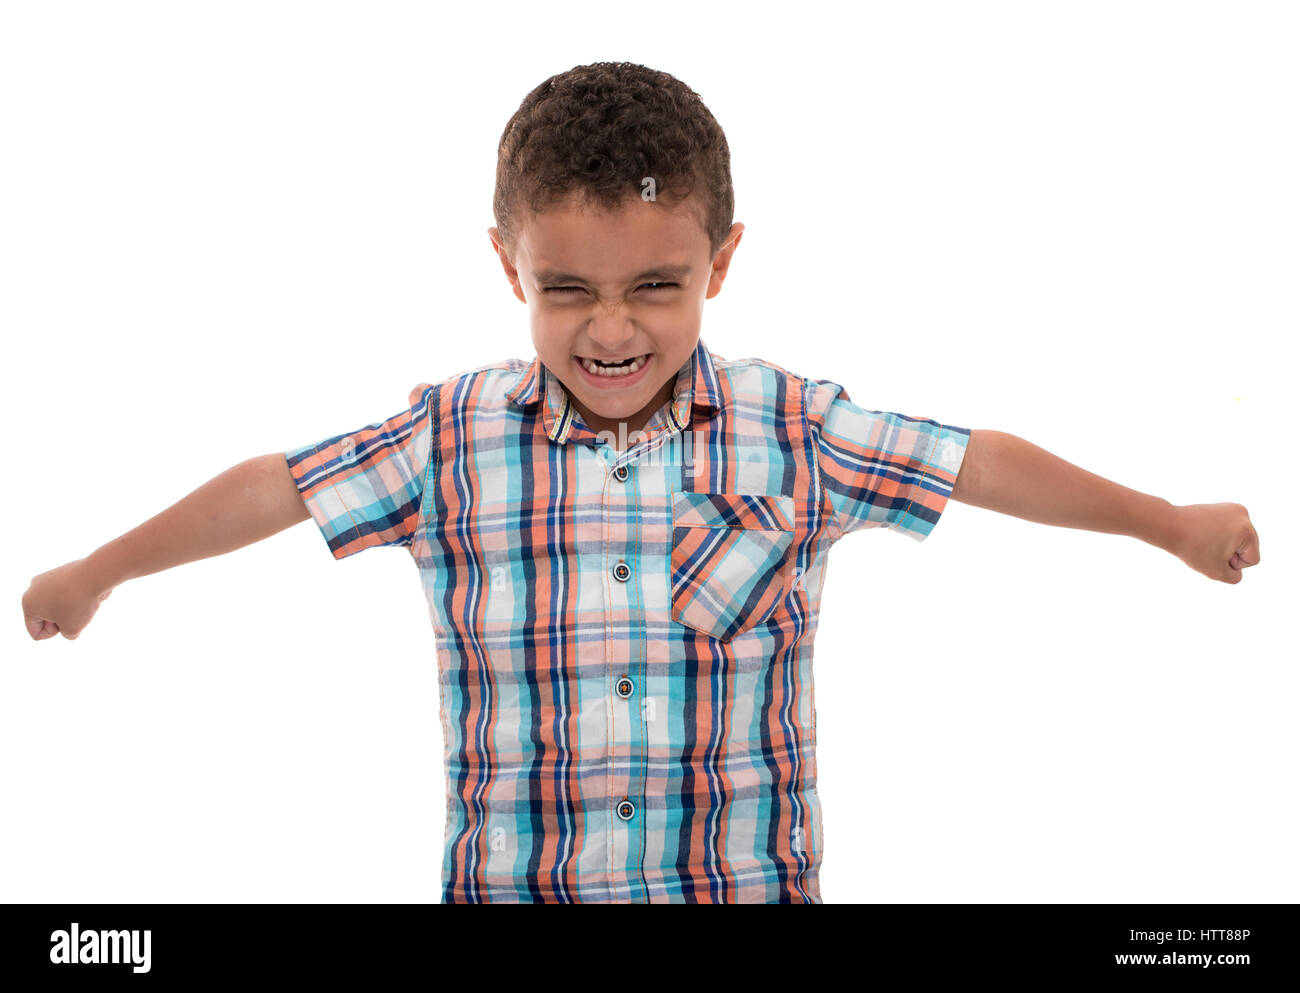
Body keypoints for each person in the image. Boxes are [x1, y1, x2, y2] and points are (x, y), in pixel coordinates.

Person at [21, 61, 1260, 903]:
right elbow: (279, 487)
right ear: (509, 266)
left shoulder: (796, 428)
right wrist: (102, 571)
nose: (610, 328)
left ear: (721, 260)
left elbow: (975, 461)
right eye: (568, 287)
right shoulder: (449, 441)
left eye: (654, 284)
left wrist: (1166, 525)